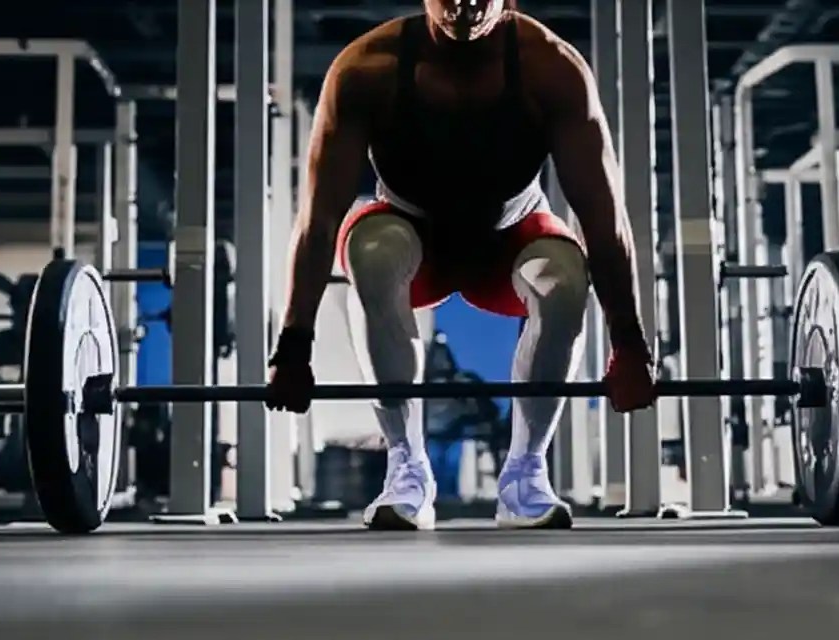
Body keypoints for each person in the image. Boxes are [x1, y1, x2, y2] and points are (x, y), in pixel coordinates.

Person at [266, 0, 655, 530]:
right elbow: (318, 220)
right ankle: (406, 468)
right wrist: (293, 347)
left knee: (564, 277)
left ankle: (526, 473)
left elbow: (604, 219)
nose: (465, 4)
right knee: (370, 249)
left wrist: (628, 345)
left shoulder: (551, 68)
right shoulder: (365, 68)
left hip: (509, 238)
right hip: (412, 239)